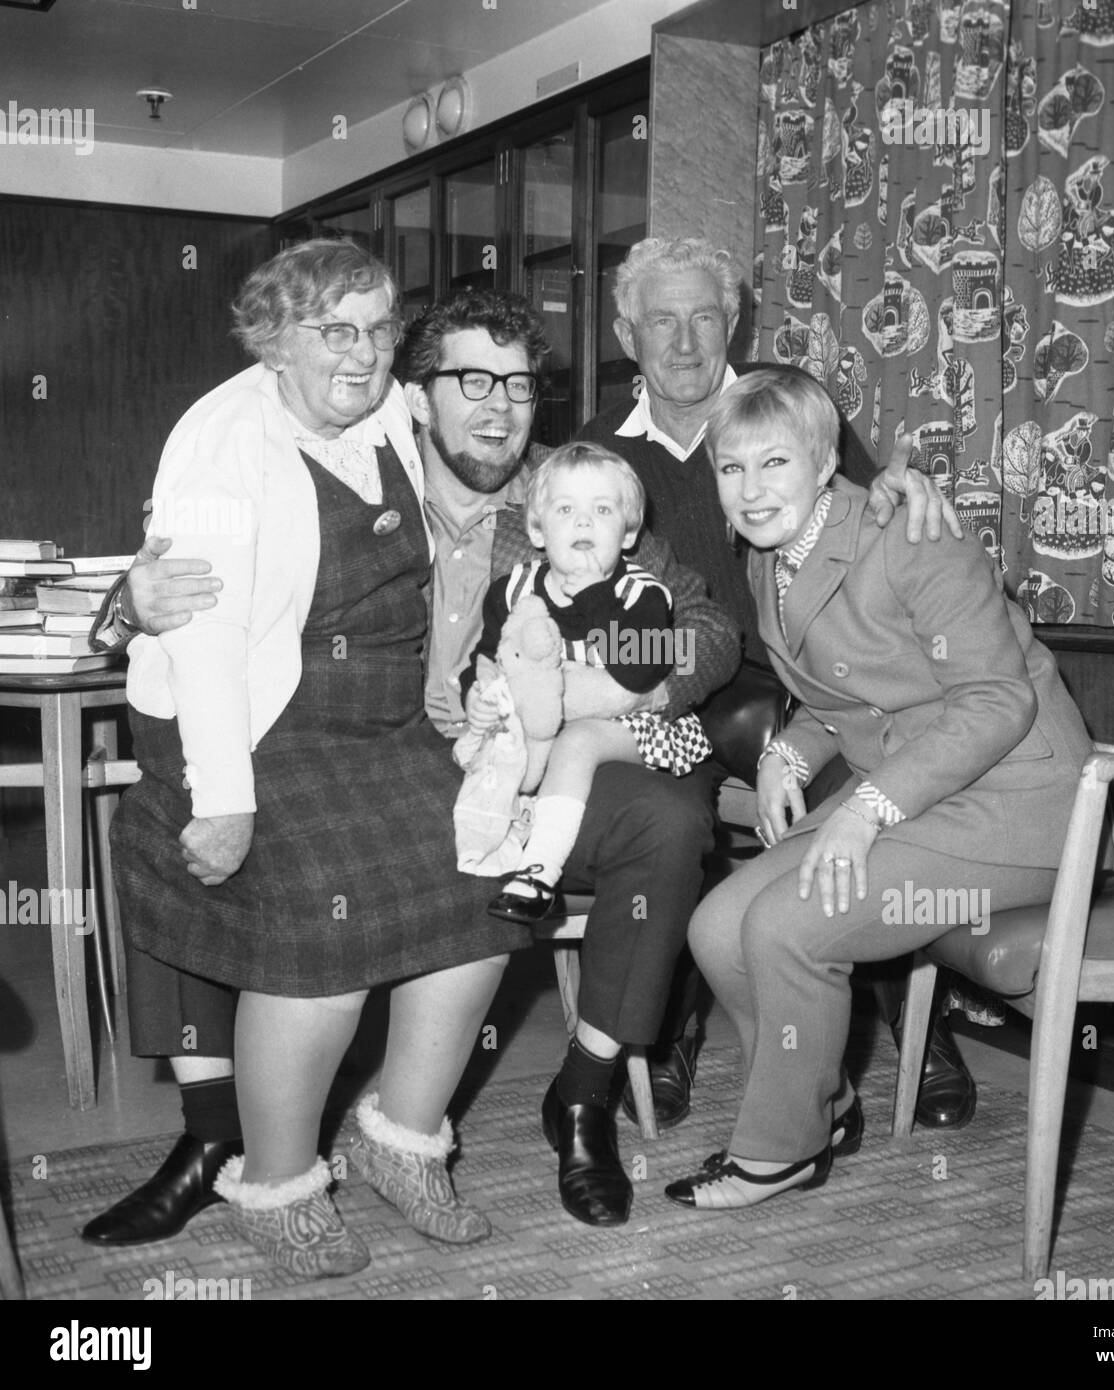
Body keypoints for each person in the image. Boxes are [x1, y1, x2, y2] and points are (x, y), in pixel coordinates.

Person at [94, 284, 740, 1233]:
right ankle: (212, 1133)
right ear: (416, 392)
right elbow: (196, 578)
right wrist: (128, 600)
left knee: (669, 816)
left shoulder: (567, 500)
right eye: (472, 380)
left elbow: (706, 623)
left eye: (519, 386)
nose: (499, 407)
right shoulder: (342, 465)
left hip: (519, 760)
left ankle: (584, 1095)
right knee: (182, 801)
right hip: (368, 754)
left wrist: (622, 687)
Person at [104, 240, 536, 1276]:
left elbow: (500, 456)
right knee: (324, 951)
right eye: (334, 330)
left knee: (488, 897)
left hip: (384, 725)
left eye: (381, 327)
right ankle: (279, 1181)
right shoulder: (219, 443)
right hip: (258, 724)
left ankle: (402, 1143)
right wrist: (226, 797)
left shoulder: (389, 409)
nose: (365, 351)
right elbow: (201, 636)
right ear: (273, 341)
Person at [664, 368, 1094, 1210]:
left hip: (1020, 800)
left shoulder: (909, 533)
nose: (749, 492)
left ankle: (778, 1150)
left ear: (825, 464)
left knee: (790, 925)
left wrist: (867, 808)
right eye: (730, 468)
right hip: (910, 782)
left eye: (774, 464)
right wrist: (787, 753)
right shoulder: (765, 557)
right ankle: (817, 1105)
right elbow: (851, 695)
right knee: (717, 925)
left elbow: (996, 699)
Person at [576, 235, 979, 1132]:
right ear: (623, 334)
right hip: (691, 687)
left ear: (735, 322)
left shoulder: (784, 407)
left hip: (820, 686)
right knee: (663, 809)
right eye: (660, 323)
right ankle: (672, 1026)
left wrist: (910, 494)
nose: (684, 343)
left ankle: (917, 1024)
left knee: (860, 796)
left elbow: (873, 513)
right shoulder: (598, 451)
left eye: (705, 318)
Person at [459, 443, 711, 922]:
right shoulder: (512, 590)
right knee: (503, 754)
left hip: (642, 726)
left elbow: (641, 671)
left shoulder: (642, 595)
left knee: (575, 741)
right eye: (565, 509)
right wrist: (478, 693)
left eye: (602, 510)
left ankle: (539, 872)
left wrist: (596, 596)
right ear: (536, 528)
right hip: (544, 729)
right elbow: (491, 657)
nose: (583, 523)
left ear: (630, 530)